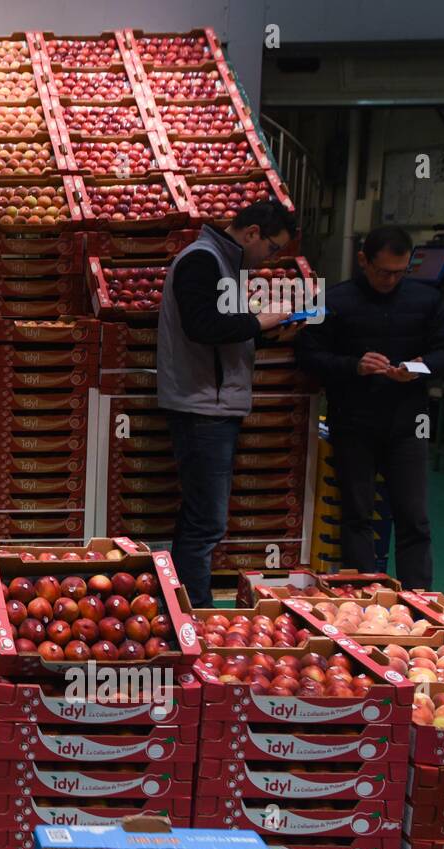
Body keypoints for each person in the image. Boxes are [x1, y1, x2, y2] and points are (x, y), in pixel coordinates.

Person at [295, 226, 444, 589]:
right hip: (353, 422)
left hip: (408, 426)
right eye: (383, 271)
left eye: (400, 272)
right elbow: (308, 354)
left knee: (414, 518)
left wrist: (419, 368)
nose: (391, 279)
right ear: (362, 261)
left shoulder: (425, 300)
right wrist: (353, 365)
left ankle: (420, 600)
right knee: (357, 515)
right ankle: (366, 598)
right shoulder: (333, 301)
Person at [156, 200, 300, 607]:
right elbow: (201, 326)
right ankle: (197, 613)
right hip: (202, 408)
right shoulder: (203, 261)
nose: (271, 256)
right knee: (206, 523)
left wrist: (270, 335)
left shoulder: (226, 264)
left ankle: (185, 609)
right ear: (253, 233)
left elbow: (224, 334)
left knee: (199, 517)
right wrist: (261, 321)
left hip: (213, 405)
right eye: (272, 247)